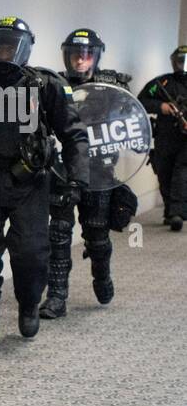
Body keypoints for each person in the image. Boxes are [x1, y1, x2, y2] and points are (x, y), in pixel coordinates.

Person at [0, 17, 88, 349]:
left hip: (31, 181)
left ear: (23, 48)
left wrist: (77, 180)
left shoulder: (46, 84)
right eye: (0, 44)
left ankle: (27, 304)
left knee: (31, 253)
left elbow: (73, 134)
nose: (4, 51)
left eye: (10, 45)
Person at [39, 29, 131, 318]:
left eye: (87, 54)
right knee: (59, 234)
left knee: (97, 236)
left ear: (96, 56)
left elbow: (129, 123)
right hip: (62, 171)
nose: (80, 60)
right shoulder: (53, 84)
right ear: (66, 55)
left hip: (98, 173)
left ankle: (102, 277)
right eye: (75, 54)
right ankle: (56, 297)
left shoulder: (111, 87)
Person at [137, 46, 187, 232]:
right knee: (164, 172)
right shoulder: (161, 83)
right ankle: (170, 211)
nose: (182, 65)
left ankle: (178, 213)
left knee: (181, 173)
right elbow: (140, 100)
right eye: (180, 60)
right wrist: (162, 107)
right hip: (165, 135)